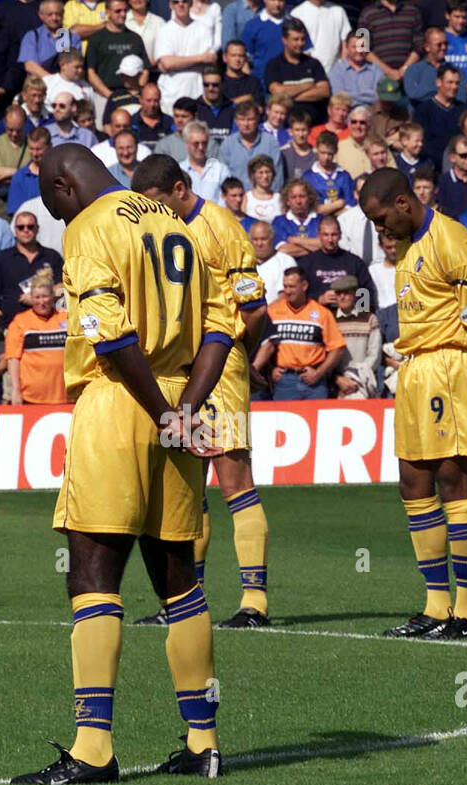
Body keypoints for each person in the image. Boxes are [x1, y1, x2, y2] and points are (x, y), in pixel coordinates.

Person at [9, 142, 236, 785]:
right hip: (178, 402)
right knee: (179, 580)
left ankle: (93, 750)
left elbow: (109, 335)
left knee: (93, 574)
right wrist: (185, 409)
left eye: (51, 204)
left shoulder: (90, 227)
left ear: (64, 185)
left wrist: (159, 409)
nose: (54, 219)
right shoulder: (176, 223)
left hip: (118, 404)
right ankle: (203, 741)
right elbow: (223, 324)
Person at [358, 165, 467, 639]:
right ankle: (435, 606)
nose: (380, 230)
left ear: (404, 203)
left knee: (451, 479)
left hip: (449, 365)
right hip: (416, 369)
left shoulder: (451, 238)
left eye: (381, 220)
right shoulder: (406, 247)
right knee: (411, 481)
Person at [132, 151, 273, 627]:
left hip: (222, 360)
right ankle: (186, 602)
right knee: (188, 489)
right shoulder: (159, 230)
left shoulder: (219, 225)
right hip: (177, 366)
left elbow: (254, 308)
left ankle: (255, 603)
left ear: (178, 189)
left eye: (155, 201)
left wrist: (243, 359)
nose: (151, 211)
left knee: (234, 481)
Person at [261, 266, 347, 398]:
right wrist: (270, 369)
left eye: (292, 286)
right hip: (284, 381)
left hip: (314, 382)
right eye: (285, 286)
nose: (287, 291)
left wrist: (319, 373)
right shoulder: (273, 311)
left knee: (317, 418)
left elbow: (338, 348)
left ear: (304, 285)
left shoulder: (321, 313)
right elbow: (262, 344)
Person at [2, 274, 68, 404]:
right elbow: (13, 359)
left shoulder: (66, 318)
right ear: (31, 299)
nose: (41, 302)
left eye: (45, 296)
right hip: (31, 397)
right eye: (37, 297)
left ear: (52, 297)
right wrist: (15, 390)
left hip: (66, 396)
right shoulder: (20, 321)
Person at [0, 209, 64, 321]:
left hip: (47, 324)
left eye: (30, 226)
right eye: (21, 227)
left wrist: (38, 298)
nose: (26, 230)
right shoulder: (3, 258)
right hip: (12, 323)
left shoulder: (52, 256)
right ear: (15, 230)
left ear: (37, 229)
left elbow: (63, 287)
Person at [264, 16, 329, 126]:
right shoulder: (274, 65)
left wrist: (289, 97)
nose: (300, 43)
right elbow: (277, 92)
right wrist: (307, 86)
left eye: (302, 39)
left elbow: (324, 91)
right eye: (295, 39)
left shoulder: (314, 64)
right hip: (286, 127)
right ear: (285, 40)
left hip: (315, 125)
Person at [248, 217, 293, 301]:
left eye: (263, 239)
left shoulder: (286, 261)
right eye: (255, 239)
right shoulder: (244, 263)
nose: (259, 244)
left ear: (272, 239)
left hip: (277, 312)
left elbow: (285, 296)